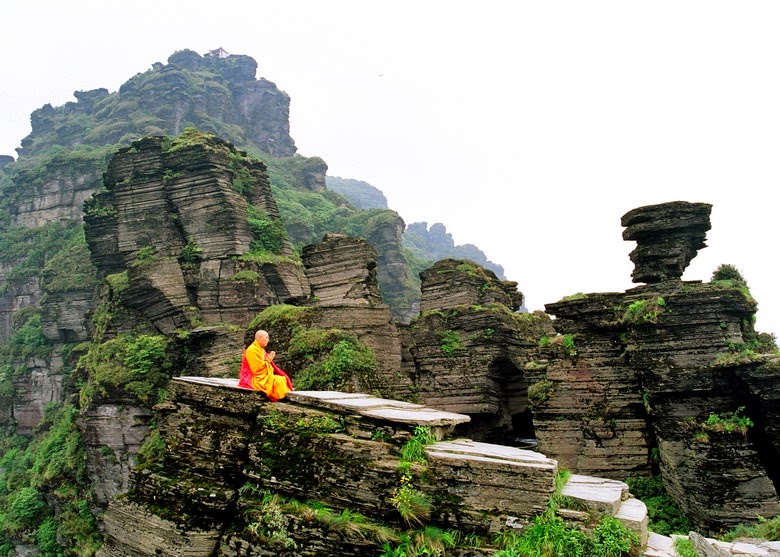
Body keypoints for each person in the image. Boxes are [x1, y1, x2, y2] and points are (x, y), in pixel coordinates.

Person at [238, 330, 293, 401]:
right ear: (259, 338)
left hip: (262, 376)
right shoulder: (252, 350)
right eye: (266, 338)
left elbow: (264, 364)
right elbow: (257, 369)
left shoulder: (261, 349)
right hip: (253, 378)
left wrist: (268, 359)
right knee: (278, 381)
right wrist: (269, 359)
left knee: (281, 379)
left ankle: (283, 398)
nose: (268, 340)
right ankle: (282, 399)